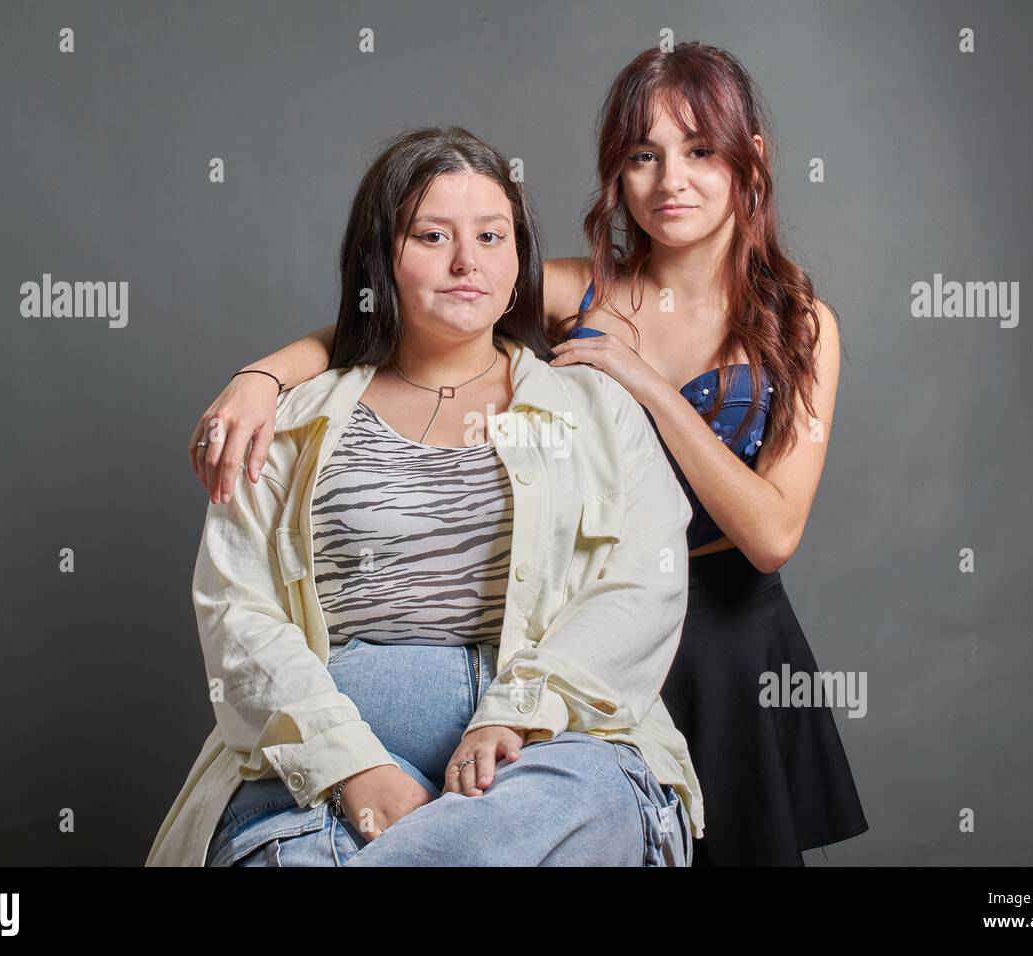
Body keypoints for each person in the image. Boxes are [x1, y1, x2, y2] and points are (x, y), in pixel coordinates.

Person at [185, 43, 868, 866]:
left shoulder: (800, 323)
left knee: (638, 816)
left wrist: (640, 381)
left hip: (709, 626)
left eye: (700, 150)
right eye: (642, 156)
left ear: (750, 159)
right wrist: (265, 377)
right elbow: (412, 322)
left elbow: (772, 533)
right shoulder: (566, 287)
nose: (670, 180)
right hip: (557, 610)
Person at [147, 125, 698, 867]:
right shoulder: (287, 419)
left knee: (590, 797)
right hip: (331, 742)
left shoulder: (596, 410)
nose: (467, 262)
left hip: (547, 745)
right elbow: (235, 608)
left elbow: (644, 586)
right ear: (381, 256)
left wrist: (519, 715)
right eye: (432, 235)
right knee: (292, 842)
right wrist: (350, 767)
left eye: (492, 236)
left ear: (520, 257)